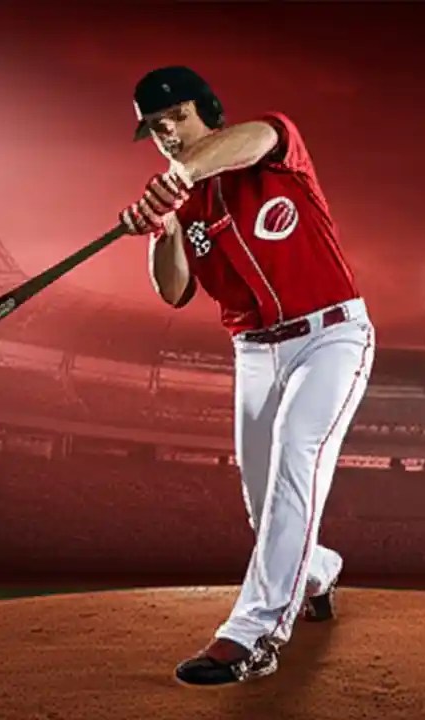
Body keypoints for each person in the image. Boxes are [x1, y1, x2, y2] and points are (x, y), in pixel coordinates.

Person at [118, 66, 376, 686]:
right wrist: (165, 227)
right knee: (263, 508)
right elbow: (174, 291)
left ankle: (252, 635)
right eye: (155, 129)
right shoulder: (184, 199)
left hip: (331, 336)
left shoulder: (272, 145)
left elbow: (249, 140)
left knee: (296, 452)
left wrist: (179, 175)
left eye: (175, 118)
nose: (167, 136)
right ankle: (316, 570)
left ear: (207, 110)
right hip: (255, 353)